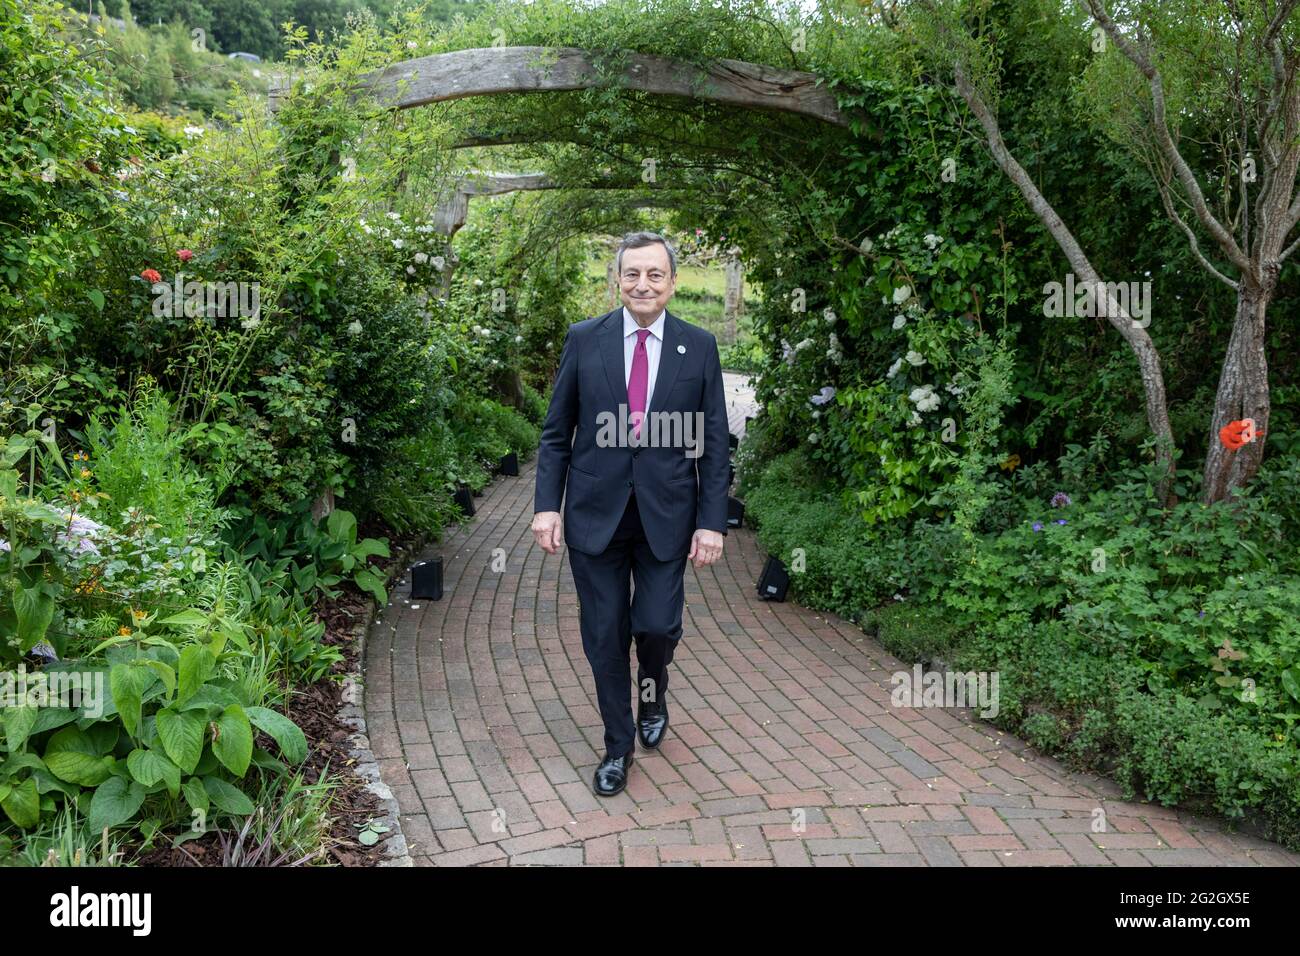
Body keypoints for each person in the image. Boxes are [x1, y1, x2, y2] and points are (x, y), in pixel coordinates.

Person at [531, 231, 730, 796]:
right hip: (595, 516)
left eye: (655, 274)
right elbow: (555, 435)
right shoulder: (583, 339)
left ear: (672, 282)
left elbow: (715, 444)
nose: (643, 284)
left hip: (668, 515)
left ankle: (654, 691)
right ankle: (617, 747)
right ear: (617, 280)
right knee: (604, 635)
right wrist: (548, 506)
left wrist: (711, 521)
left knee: (656, 627)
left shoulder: (700, 346)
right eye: (632, 274)